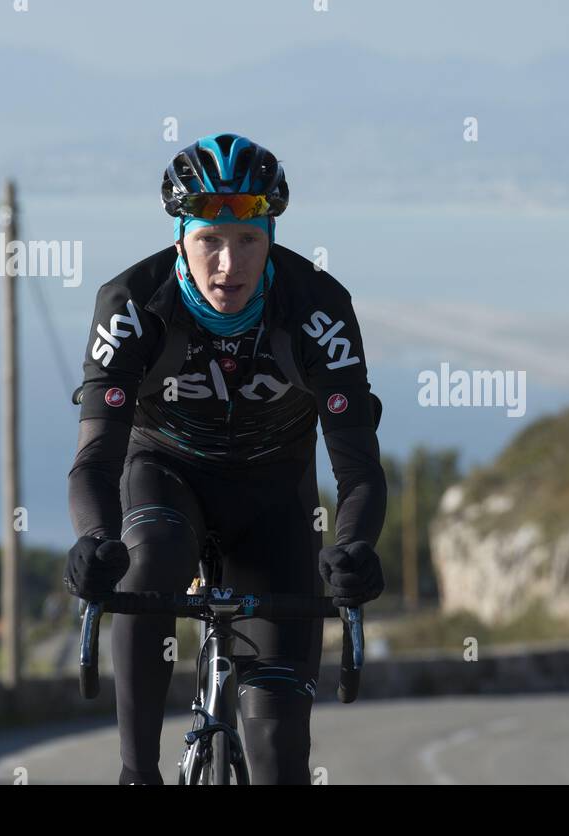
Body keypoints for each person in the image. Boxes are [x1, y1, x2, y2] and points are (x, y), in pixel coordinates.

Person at [62, 134, 387, 785]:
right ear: (180, 233)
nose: (227, 264)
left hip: (274, 501)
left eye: (248, 240)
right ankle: (137, 771)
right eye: (210, 238)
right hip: (166, 478)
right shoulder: (131, 305)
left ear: (271, 237)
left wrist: (353, 550)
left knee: (278, 759)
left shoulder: (318, 309)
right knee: (144, 562)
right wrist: (96, 542)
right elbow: (95, 461)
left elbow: (358, 473)